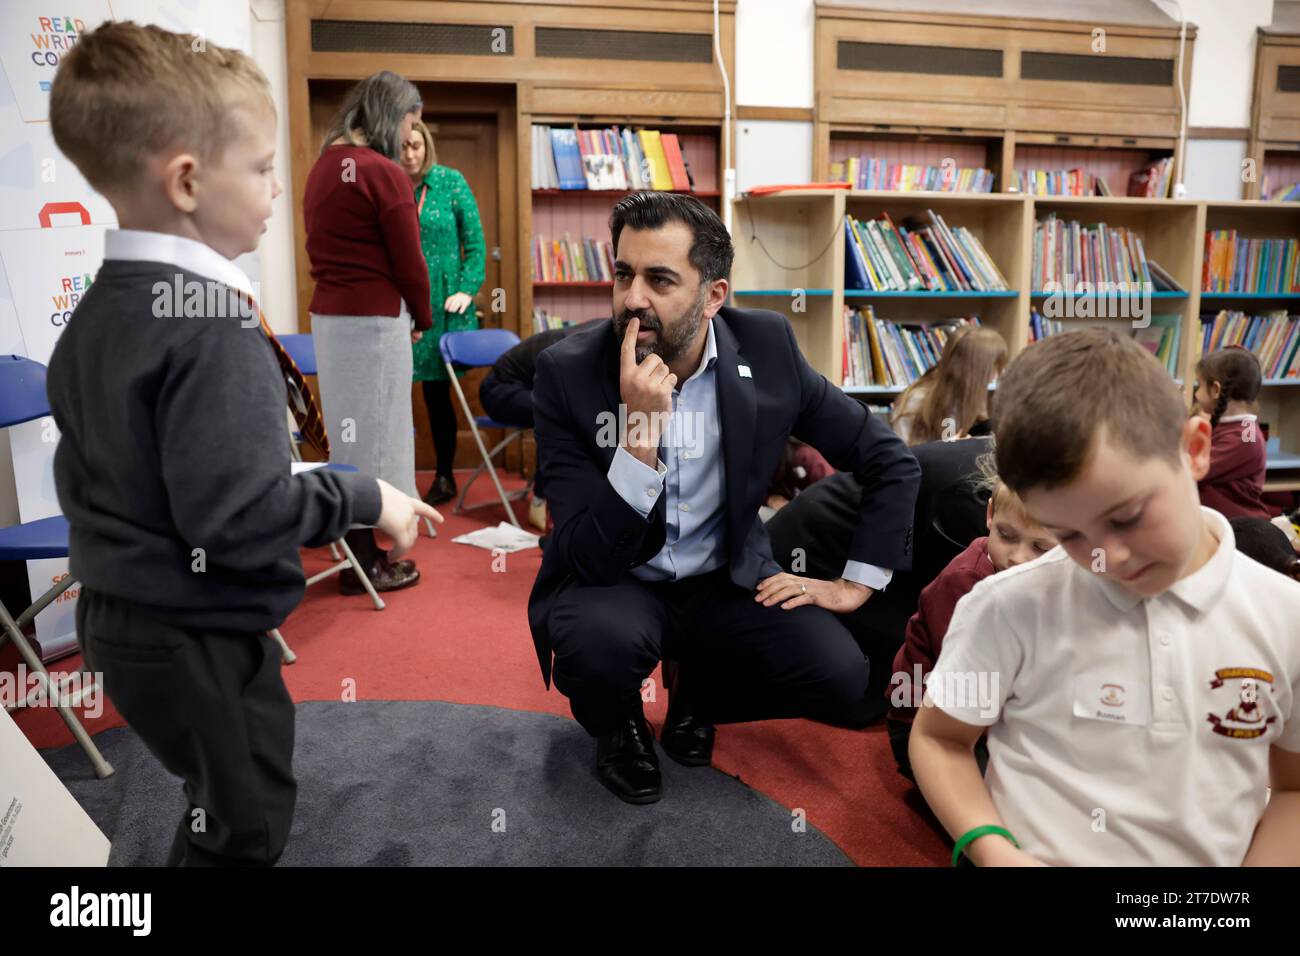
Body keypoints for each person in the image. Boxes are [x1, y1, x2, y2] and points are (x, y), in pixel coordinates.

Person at [45, 22, 438, 865]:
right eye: (261, 169)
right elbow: (238, 514)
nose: (276, 191)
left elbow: (151, 469)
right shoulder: (211, 323)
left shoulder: (100, 312)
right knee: (246, 822)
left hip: (123, 621)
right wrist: (370, 496)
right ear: (187, 181)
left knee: (213, 802)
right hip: (196, 635)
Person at [528, 192, 921, 804]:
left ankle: (699, 692)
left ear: (714, 295)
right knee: (596, 645)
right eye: (623, 274)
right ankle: (620, 727)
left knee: (841, 675)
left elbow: (889, 460)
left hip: (723, 580)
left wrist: (855, 583)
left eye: (660, 279)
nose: (634, 298)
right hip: (616, 579)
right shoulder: (567, 374)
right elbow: (585, 554)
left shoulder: (766, 349)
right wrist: (638, 438)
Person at [911, 329, 1300, 866]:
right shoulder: (1007, 605)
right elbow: (939, 740)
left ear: (1195, 450)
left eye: (1127, 517)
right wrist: (995, 853)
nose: (1108, 558)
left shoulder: (1287, 618)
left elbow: (1293, 789)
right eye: (1069, 535)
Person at [304, 71, 433, 593]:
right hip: (375, 321)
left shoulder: (322, 167)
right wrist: (423, 319)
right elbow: (410, 263)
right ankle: (369, 564)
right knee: (379, 444)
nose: (411, 135)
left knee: (351, 440)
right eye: (410, 121)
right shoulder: (382, 173)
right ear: (388, 114)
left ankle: (356, 552)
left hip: (331, 322)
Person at [765, 435, 993, 721]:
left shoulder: (1008, 466)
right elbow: (950, 610)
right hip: (815, 558)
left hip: (882, 560)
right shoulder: (974, 495)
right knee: (862, 691)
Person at [885, 458, 1056, 780]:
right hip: (923, 720)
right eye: (1007, 536)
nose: (1018, 557)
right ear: (990, 515)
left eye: (1040, 547)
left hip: (997, 709)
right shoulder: (964, 582)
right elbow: (966, 682)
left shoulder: (1050, 579)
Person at [399, 119, 486, 506]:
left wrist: (468, 289)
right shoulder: (390, 184)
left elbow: (476, 245)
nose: (410, 153)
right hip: (401, 305)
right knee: (394, 395)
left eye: (415, 145)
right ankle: (395, 479)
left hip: (445, 306)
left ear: (426, 145)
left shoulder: (451, 182)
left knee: (437, 395)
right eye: (402, 146)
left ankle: (445, 476)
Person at [478, 323, 583, 530]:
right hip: (498, 390)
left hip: (531, 386)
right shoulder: (574, 350)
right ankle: (541, 500)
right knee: (559, 415)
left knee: (568, 411)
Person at [890, 326, 1006, 445]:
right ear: (973, 369)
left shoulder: (963, 396)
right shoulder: (917, 402)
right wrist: (952, 448)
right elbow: (909, 456)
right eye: (994, 367)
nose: (997, 375)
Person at [1193, 346, 1271, 519]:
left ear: (1215, 390)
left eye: (1199, 385)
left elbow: (1195, 469)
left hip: (1239, 531)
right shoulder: (1232, 427)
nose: (1196, 394)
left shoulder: (1247, 437)